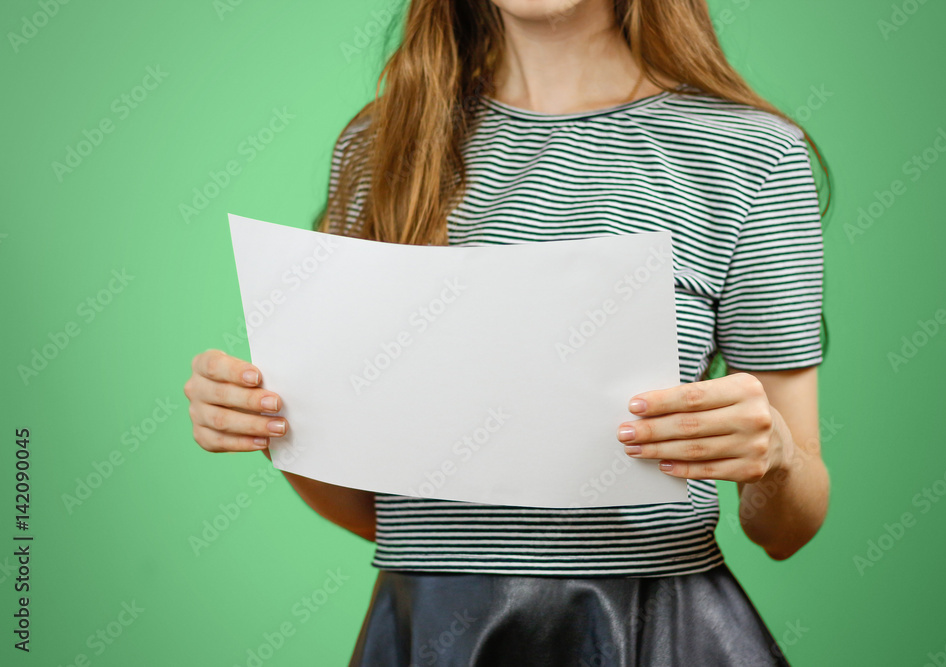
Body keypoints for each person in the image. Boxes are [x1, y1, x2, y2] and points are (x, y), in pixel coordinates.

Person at [184, 0, 832, 664]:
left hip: (653, 628)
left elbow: (789, 526)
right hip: (435, 627)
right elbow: (385, 513)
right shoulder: (381, 146)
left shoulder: (751, 153)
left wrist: (777, 455)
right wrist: (270, 420)